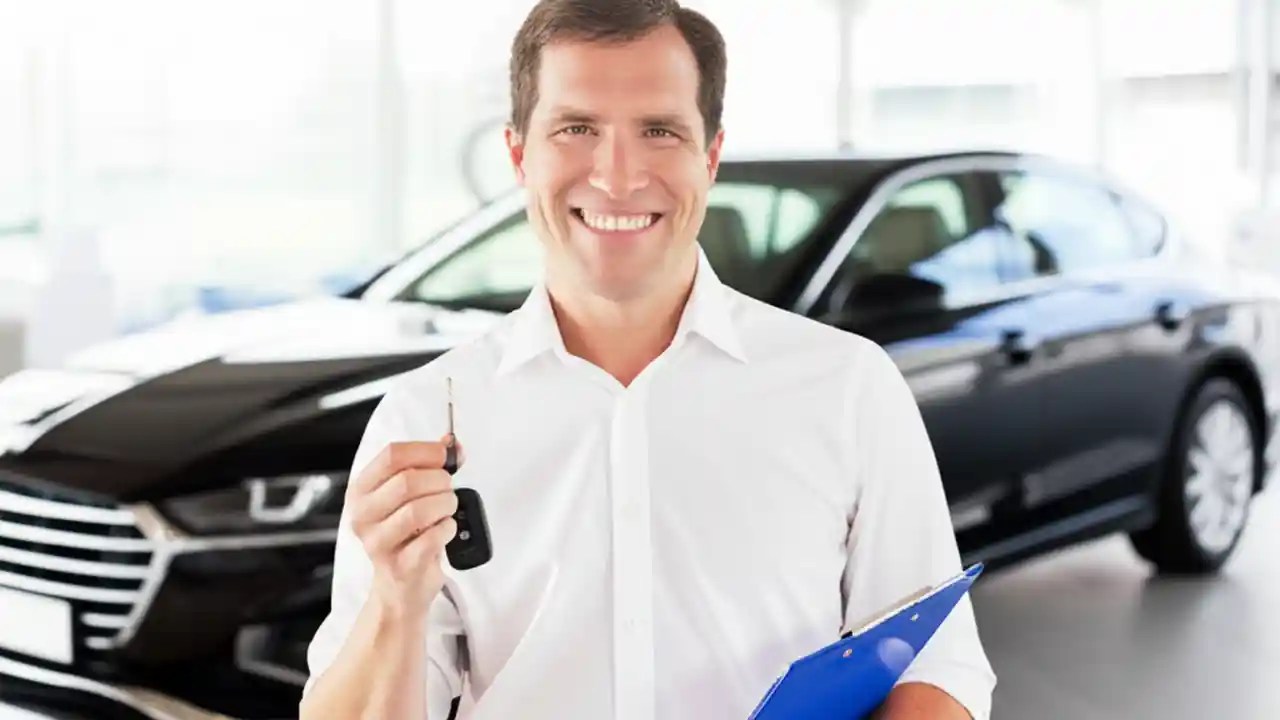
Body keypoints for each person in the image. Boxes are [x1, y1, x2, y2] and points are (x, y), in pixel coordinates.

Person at [299, 1, 997, 718]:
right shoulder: (422, 416)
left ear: (711, 155)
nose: (618, 175)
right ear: (519, 155)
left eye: (659, 131)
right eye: (576, 129)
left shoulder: (847, 386)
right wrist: (394, 601)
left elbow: (935, 667)